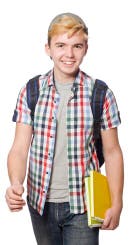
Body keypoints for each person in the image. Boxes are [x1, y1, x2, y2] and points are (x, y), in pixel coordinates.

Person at [5, 12, 125, 244]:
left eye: (76, 46)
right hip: (40, 204)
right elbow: (19, 148)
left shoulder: (100, 93)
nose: (69, 54)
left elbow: (112, 152)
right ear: (48, 48)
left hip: (83, 204)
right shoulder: (31, 91)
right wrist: (15, 183)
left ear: (86, 48)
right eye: (61, 45)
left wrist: (117, 202)